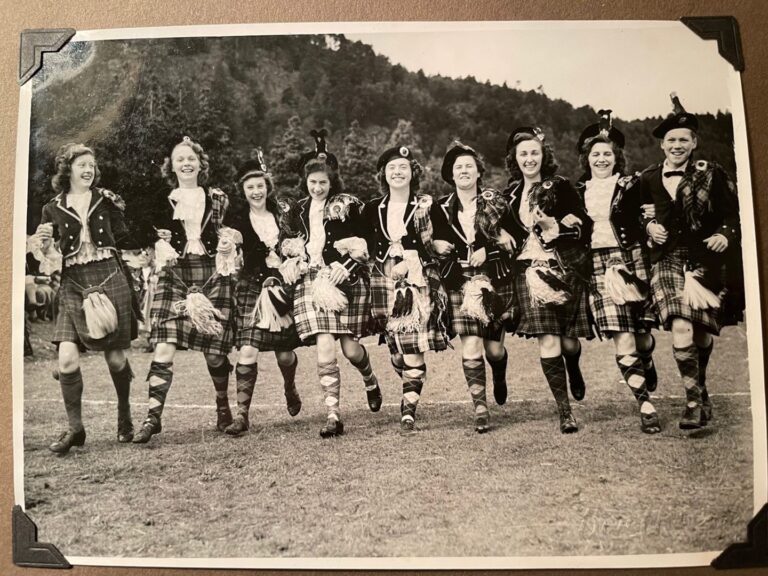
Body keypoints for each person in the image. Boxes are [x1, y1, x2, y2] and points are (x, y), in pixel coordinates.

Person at [639, 93, 741, 429]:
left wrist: (725, 234)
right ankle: (693, 403)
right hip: (666, 260)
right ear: (662, 145)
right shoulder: (648, 177)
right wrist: (649, 226)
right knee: (680, 324)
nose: (677, 145)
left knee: (700, 334)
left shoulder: (710, 173)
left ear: (694, 142)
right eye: (671, 140)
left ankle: (701, 388)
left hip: (703, 260)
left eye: (684, 139)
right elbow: (635, 215)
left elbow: (733, 213)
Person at [31, 143, 138, 453]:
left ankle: (124, 414)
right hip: (73, 282)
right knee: (66, 357)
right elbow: (53, 256)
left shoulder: (106, 200)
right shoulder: (52, 208)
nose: (89, 170)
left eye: (92, 165)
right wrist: (45, 246)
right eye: (82, 165)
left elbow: (124, 238)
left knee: (115, 358)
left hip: (109, 276)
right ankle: (76, 429)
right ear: (68, 170)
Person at [133, 136, 236, 443]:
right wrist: (156, 241)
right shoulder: (161, 199)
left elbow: (233, 229)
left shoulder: (218, 198)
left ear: (200, 164)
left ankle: (222, 406)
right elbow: (141, 230)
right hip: (174, 274)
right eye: (180, 159)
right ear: (172, 166)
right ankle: (153, 417)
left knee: (214, 353)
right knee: (164, 344)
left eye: (191, 158)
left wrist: (230, 242)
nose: (186, 163)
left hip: (212, 272)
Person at [280, 129, 381, 438]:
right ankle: (333, 414)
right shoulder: (296, 210)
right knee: (324, 343)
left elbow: (366, 242)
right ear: (305, 181)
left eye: (323, 182)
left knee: (351, 350)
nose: (317, 187)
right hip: (312, 281)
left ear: (332, 181)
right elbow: (284, 242)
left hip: (344, 280)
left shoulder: (348, 205)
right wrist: (292, 257)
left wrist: (346, 266)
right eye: (313, 182)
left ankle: (370, 379)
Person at [498, 127, 593, 433]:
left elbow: (584, 224)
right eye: (523, 154)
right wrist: (499, 232)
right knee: (548, 338)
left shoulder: (561, 186)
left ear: (543, 155)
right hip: (528, 273)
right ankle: (565, 411)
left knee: (568, 342)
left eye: (534, 153)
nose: (529, 159)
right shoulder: (509, 195)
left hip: (563, 268)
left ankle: (573, 365)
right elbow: (494, 226)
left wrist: (558, 226)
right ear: (515, 159)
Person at [575, 110, 661, 434]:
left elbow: (651, 210)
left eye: (607, 154)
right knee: (621, 336)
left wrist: (651, 216)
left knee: (642, 337)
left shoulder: (632, 184)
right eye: (595, 154)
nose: (601, 159)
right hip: (597, 266)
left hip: (632, 259)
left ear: (616, 157)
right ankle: (645, 405)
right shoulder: (577, 190)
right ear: (587, 159)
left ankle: (647, 359)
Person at [360, 145, 451, 435]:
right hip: (384, 280)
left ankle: (408, 411)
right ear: (383, 175)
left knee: (413, 349)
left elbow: (445, 236)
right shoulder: (372, 208)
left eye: (403, 167)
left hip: (418, 279)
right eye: (392, 168)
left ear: (413, 173)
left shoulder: (427, 205)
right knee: (398, 352)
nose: (397, 172)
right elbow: (360, 239)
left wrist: (437, 245)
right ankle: (408, 379)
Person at [430, 141, 515, 433]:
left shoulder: (495, 201)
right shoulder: (440, 207)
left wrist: (489, 249)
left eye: (469, 166)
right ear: (451, 175)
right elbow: (430, 239)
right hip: (460, 279)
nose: (464, 171)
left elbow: (514, 236)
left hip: (493, 277)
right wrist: (434, 244)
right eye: (458, 167)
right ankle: (480, 408)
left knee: (494, 350)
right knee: (470, 344)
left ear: (479, 172)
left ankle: (499, 372)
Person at [222, 151, 304, 436]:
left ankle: (290, 387)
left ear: (267, 187)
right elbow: (231, 248)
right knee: (247, 350)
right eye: (250, 187)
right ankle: (242, 416)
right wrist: (231, 245)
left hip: (282, 286)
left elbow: (298, 242)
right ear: (243, 191)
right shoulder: (237, 220)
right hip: (251, 287)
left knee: (284, 355)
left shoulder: (283, 214)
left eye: (260, 186)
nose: (256, 191)